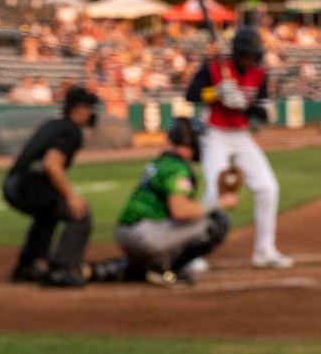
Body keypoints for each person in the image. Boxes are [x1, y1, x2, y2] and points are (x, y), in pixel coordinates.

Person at [184, 25, 290, 268]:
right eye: (246, 54)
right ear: (237, 51)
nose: (250, 58)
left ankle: (265, 251)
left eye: (253, 54)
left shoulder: (260, 74)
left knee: (267, 188)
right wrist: (216, 93)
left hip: (241, 135)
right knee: (215, 191)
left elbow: (264, 110)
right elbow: (190, 94)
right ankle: (191, 254)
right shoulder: (213, 67)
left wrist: (245, 105)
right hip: (215, 134)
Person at [92, 117, 237, 285]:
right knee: (217, 222)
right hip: (145, 236)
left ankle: (120, 268)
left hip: (125, 233)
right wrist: (219, 202)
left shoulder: (162, 161)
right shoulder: (178, 168)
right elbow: (180, 211)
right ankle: (166, 270)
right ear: (189, 140)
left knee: (190, 219)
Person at [2, 86, 100, 288]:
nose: (91, 113)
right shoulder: (72, 130)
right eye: (89, 107)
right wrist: (71, 196)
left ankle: (28, 265)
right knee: (80, 213)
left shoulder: (54, 123)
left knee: (49, 211)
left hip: (13, 183)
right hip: (27, 186)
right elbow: (52, 164)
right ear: (79, 108)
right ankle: (61, 269)